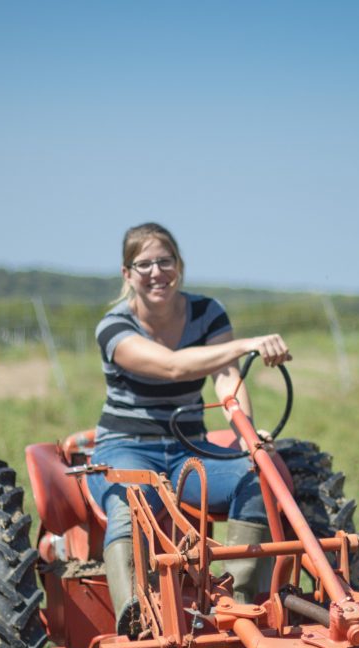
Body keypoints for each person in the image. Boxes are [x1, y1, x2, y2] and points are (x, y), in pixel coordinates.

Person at [87, 222, 292, 618]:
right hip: (127, 447)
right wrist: (248, 343)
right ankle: (136, 618)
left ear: (179, 265)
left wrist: (246, 436)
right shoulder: (113, 326)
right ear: (127, 274)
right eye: (143, 264)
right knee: (131, 502)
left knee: (258, 479)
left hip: (189, 448)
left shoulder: (207, 312)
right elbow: (171, 366)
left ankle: (239, 608)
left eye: (165, 261)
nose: (155, 272)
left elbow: (226, 376)